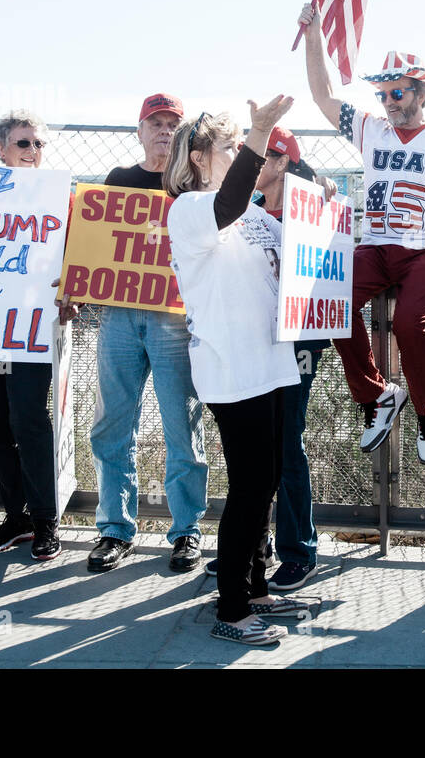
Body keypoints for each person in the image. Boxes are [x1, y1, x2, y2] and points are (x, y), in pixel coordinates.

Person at [298, 3, 425, 463]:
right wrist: (315, 34)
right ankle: (378, 395)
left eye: (398, 92)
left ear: (420, 93)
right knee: (332, 300)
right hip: (376, 246)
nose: (389, 102)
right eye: (383, 95)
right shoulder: (370, 131)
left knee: (406, 322)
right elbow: (322, 96)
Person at [165, 97, 308, 646]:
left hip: (269, 360)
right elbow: (225, 205)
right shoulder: (190, 209)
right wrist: (261, 129)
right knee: (249, 485)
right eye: (230, 146)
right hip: (231, 364)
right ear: (199, 157)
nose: (242, 153)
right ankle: (230, 606)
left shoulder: (253, 214)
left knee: (267, 478)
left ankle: (254, 587)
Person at [86, 93, 209, 574]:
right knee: (113, 422)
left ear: (182, 135)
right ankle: (115, 528)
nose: (162, 130)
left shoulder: (192, 185)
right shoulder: (118, 181)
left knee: (182, 423)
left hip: (173, 317)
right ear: (139, 130)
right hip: (119, 312)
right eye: (154, 122)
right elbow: (96, 245)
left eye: (171, 124)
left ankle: (186, 531)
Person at [0, 112, 64, 561]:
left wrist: (74, 292)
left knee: (29, 418)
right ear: (1, 150)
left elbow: (76, 256)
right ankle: (16, 515)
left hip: (31, 326)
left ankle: (46, 518)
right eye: (23, 144)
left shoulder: (60, 197)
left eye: (38, 144)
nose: (32, 152)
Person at [243, 125, 327, 591]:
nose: (251, 161)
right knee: (256, 442)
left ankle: (300, 550)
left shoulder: (311, 210)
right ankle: (255, 548)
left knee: (286, 439)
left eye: (261, 154)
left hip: (298, 339)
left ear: (283, 162)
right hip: (256, 336)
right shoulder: (249, 209)